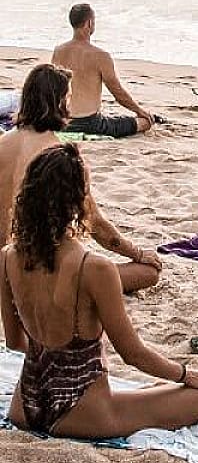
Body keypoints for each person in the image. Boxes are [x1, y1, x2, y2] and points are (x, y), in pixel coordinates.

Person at [0, 144, 198, 438]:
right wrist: (188, 374)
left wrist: (56, 362)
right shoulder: (93, 268)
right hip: (83, 413)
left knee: (159, 390)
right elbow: (133, 354)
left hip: (25, 407)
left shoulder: (8, 257)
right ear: (81, 201)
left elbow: (16, 342)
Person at [0, 64, 160, 293]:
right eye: (68, 97)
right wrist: (138, 253)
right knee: (147, 273)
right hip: (36, 271)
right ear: (59, 103)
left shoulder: (3, 142)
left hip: (5, 262)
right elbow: (97, 226)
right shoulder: (59, 156)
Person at [51, 4, 157, 137]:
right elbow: (118, 93)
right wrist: (140, 111)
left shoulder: (58, 51)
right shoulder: (100, 56)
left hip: (62, 121)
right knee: (145, 122)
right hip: (90, 123)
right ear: (89, 23)